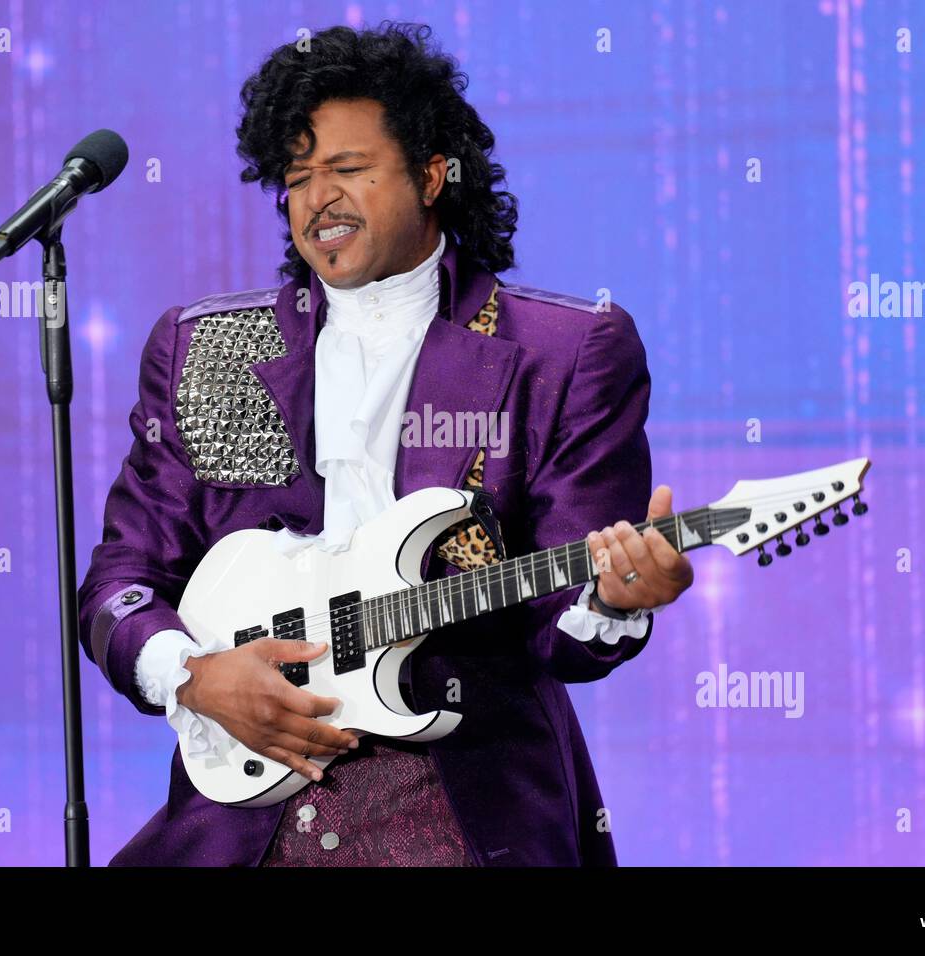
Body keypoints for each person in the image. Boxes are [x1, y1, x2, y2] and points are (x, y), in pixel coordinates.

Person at [77, 21, 693, 867]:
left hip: (465, 810)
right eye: (296, 178)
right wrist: (194, 677)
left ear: (434, 174)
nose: (317, 200)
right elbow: (120, 580)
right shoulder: (211, 351)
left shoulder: (566, 351)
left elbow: (562, 628)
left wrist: (618, 601)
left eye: (349, 170)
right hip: (239, 819)